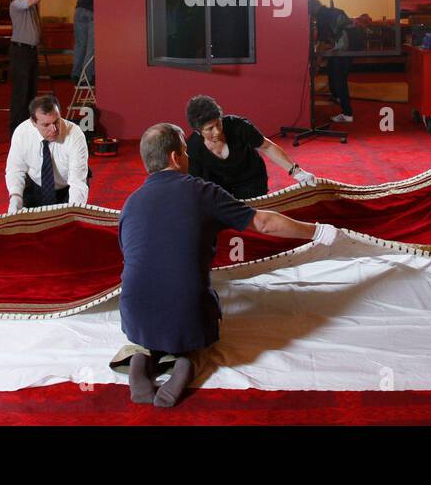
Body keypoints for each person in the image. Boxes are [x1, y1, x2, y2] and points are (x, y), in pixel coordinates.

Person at [117, 123, 339, 407]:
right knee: (201, 311)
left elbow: (135, 258)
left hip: (135, 312)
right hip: (185, 313)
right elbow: (264, 223)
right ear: (174, 157)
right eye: (185, 151)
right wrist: (318, 231)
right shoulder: (201, 191)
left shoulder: (130, 203)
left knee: (148, 322)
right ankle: (188, 361)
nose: (188, 156)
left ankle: (140, 359)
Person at [184, 94, 316, 199]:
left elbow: (267, 147)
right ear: (198, 130)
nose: (217, 131)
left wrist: (297, 172)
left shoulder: (238, 126)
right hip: (219, 187)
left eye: (218, 124)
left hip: (250, 178)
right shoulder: (194, 148)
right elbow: (196, 183)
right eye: (210, 129)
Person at [5, 94, 88, 210]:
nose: (53, 129)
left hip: (67, 188)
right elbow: (15, 170)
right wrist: (16, 198)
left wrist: (74, 211)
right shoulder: (22, 133)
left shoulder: (75, 134)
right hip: (35, 185)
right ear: (33, 123)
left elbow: (77, 182)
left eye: (56, 121)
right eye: (46, 125)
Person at [309, 0, 357, 123]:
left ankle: (347, 114)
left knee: (339, 80)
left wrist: (316, 65)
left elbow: (323, 43)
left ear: (313, 8)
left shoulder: (322, 17)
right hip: (352, 46)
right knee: (333, 72)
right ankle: (337, 97)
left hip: (345, 49)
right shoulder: (333, 11)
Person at [8, 0, 42, 134]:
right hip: (20, 51)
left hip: (30, 51)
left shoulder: (30, 7)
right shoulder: (16, 4)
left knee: (31, 91)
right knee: (21, 93)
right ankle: (16, 130)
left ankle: (28, 127)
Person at [71, 0, 94, 85]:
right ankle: (87, 77)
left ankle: (76, 74)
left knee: (80, 45)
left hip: (80, 9)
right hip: (94, 11)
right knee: (91, 47)